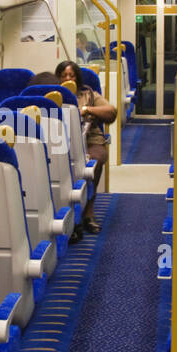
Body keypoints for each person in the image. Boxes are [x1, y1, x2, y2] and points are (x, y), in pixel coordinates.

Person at [57, 60, 115, 238]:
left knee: (94, 163)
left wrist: (87, 109)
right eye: (64, 75)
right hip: (60, 142)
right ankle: (67, 214)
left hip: (90, 140)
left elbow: (111, 111)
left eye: (71, 75)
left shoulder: (88, 94)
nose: (68, 78)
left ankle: (88, 210)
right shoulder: (53, 96)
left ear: (77, 78)